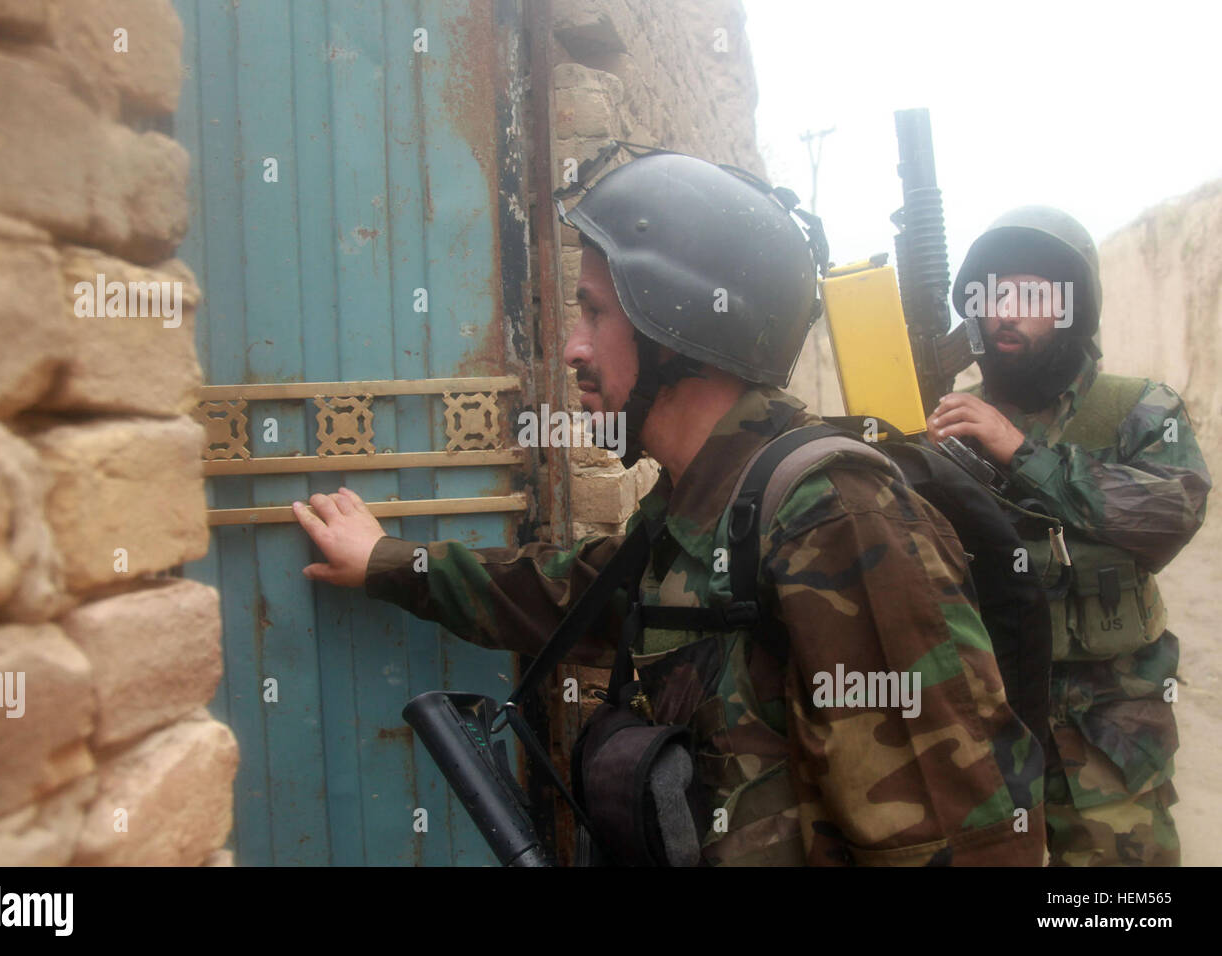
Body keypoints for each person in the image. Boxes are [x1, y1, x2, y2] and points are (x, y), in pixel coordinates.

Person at [294, 152, 1044, 866]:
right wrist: (386, 563)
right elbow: (563, 595)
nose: (573, 350)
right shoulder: (696, 507)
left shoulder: (836, 516)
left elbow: (966, 838)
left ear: (675, 327)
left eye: (593, 313)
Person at [929, 206, 1212, 866]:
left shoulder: (1138, 407)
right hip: (984, 728)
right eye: (993, 294)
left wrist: (1020, 453)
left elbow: (1172, 511)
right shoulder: (949, 419)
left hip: (1108, 733)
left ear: (1071, 311)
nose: (1006, 311)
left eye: (1030, 295)